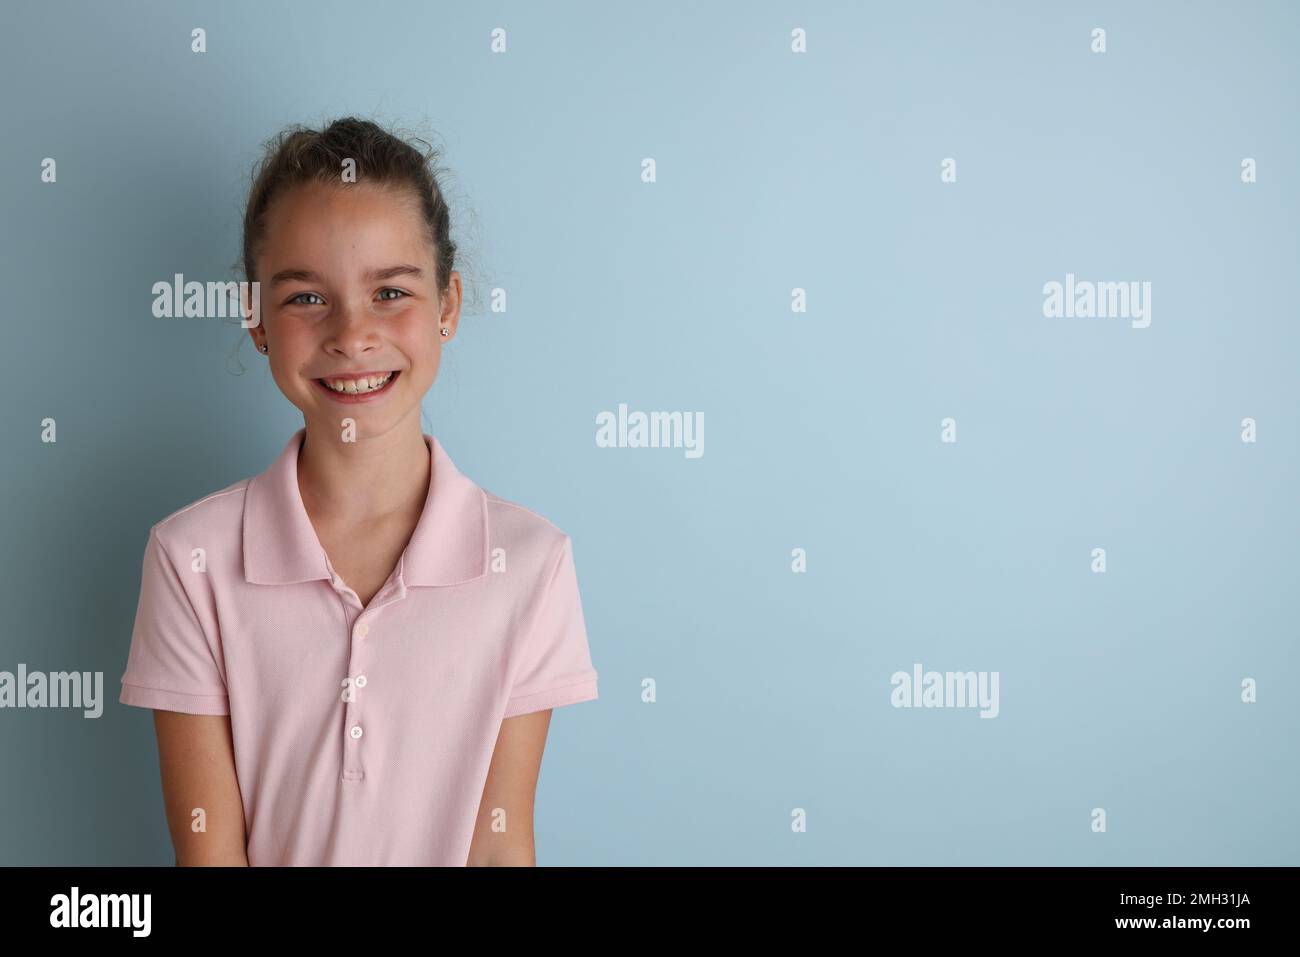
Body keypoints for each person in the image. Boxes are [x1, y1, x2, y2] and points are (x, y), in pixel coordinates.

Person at [119, 117, 599, 866]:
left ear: (447, 306)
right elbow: (209, 855)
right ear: (255, 318)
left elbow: (501, 848)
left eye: (390, 292)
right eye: (307, 297)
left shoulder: (531, 563)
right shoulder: (190, 560)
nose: (351, 333)